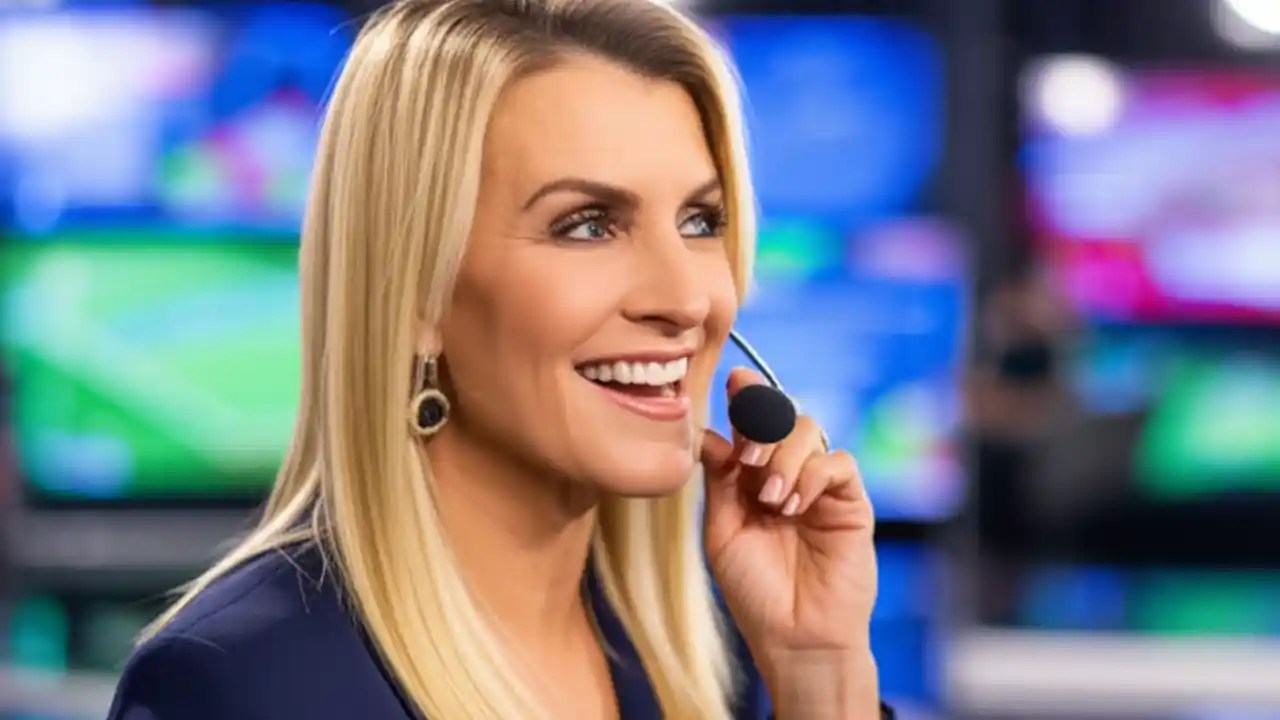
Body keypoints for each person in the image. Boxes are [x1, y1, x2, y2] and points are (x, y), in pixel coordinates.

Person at [107, 0, 889, 717]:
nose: (686, 299)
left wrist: (819, 672)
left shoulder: (717, 651)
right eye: (588, 225)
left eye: (699, 220)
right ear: (416, 289)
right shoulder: (239, 685)